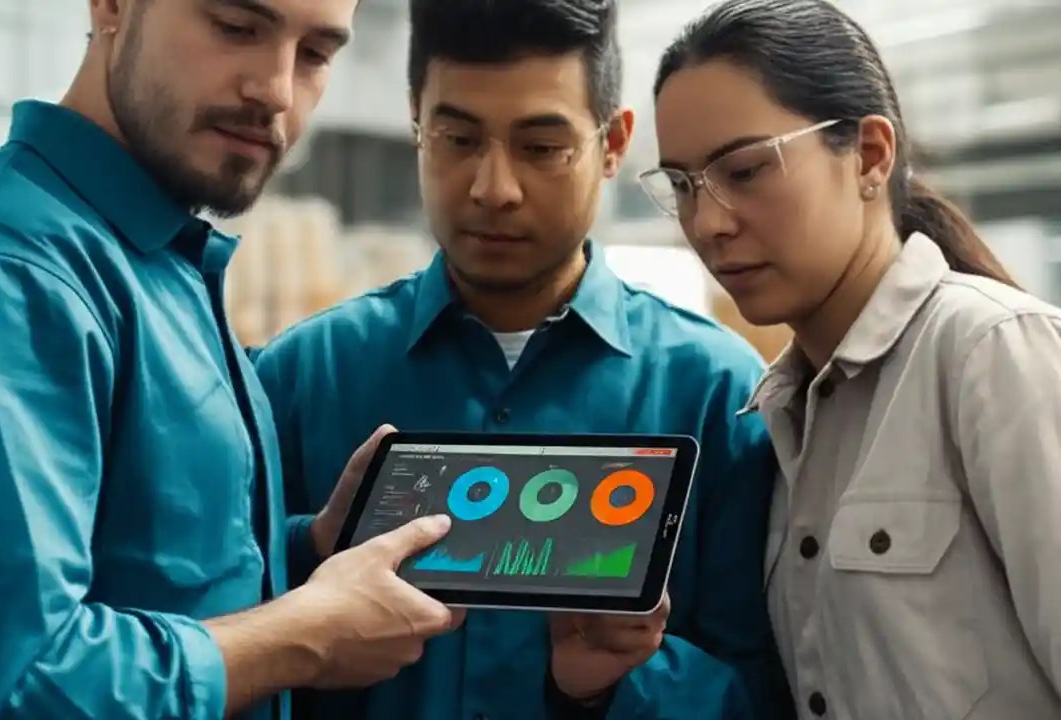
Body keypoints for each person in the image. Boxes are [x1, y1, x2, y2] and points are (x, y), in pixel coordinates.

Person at [0, 1, 466, 718]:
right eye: (236, 28)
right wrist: (309, 635)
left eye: (316, 54)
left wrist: (309, 549)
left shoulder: (157, 260)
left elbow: (151, 570)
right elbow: (5, 685)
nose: (276, 89)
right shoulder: (0, 273)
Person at [639, 0, 1061, 717]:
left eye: (744, 170)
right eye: (683, 186)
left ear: (869, 154)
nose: (708, 222)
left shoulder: (996, 357)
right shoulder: (785, 415)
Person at [253, 0, 792, 718]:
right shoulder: (301, 377)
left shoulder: (719, 396)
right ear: (417, 119)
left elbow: (767, 691)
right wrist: (314, 547)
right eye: (457, 137)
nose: (493, 189)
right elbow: (214, 625)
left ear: (613, 143)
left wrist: (610, 684)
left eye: (541, 148)